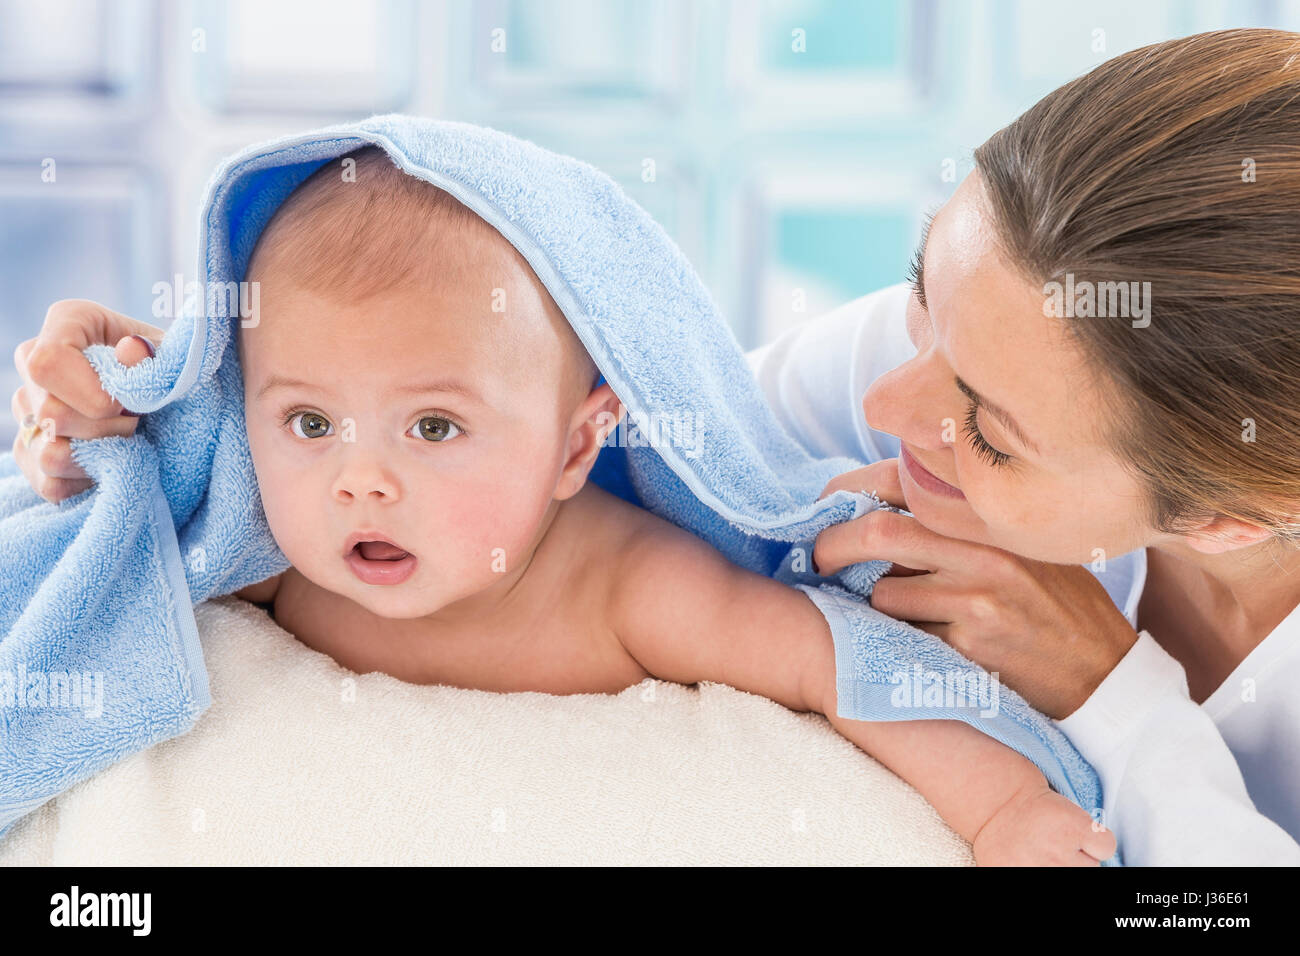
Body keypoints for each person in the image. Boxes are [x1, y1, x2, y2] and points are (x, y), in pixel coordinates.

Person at [7, 144, 1117, 865]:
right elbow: (118, 554)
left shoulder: (623, 584)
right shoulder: (282, 549)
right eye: (308, 421)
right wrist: (103, 430)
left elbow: (837, 668)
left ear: (576, 445)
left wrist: (1002, 809)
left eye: (433, 427)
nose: (359, 476)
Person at [746, 28, 1300, 865]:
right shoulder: (990, 330)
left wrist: (1110, 695)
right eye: (920, 291)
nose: (884, 403)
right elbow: (626, 463)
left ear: (1227, 520)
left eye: (988, 437)